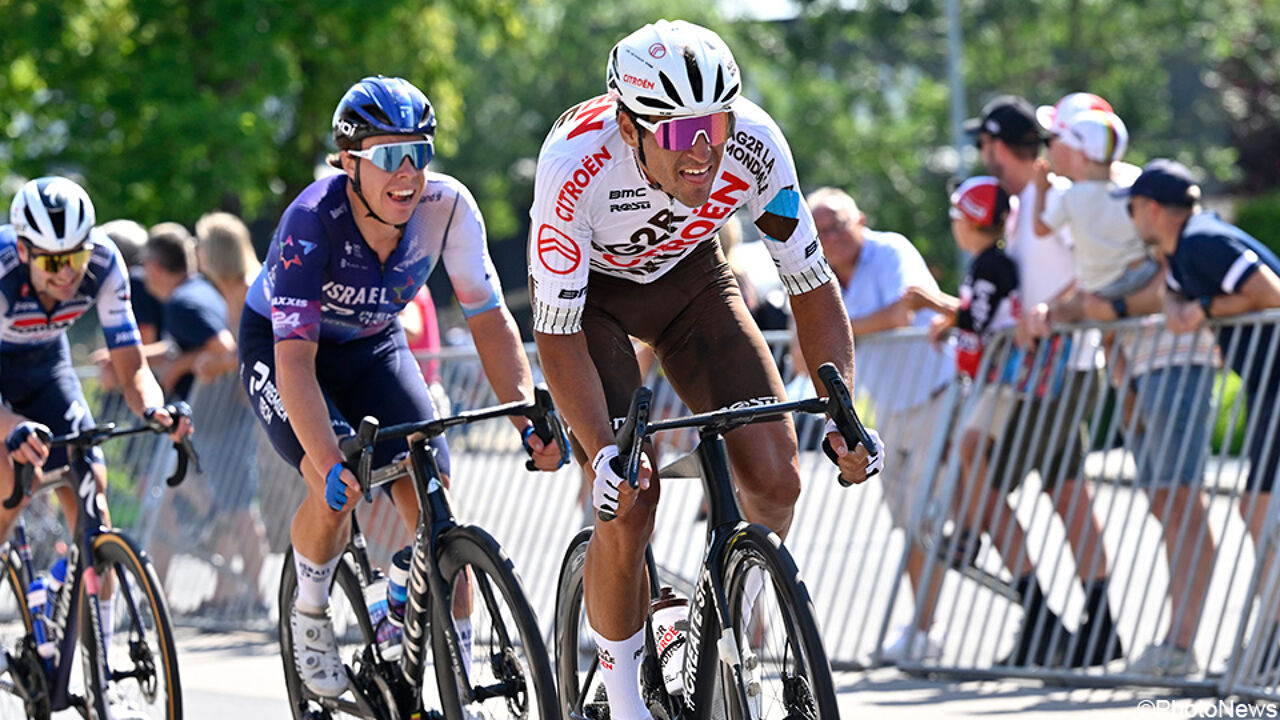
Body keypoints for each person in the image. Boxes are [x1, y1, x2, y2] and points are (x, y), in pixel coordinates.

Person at [529, 21, 881, 720]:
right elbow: (556, 329)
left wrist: (841, 408)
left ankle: (723, 632)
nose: (702, 151)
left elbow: (810, 283)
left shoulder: (754, 142)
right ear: (629, 128)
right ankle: (626, 698)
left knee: (778, 479)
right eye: (677, 132)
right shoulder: (575, 162)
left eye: (713, 124)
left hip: (693, 284)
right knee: (631, 497)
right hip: (591, 304)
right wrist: (602, 453)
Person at [239, 75, 564, 700]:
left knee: (433, 501)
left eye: (418, 151)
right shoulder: (311, 221)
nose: (407, 171)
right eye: (389, 155)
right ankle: (308, 613)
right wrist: (330, 459)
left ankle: (448, 670)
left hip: (371, 345)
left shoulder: (448, 207)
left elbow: (491, 321)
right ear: (348, 162)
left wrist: (526, 413)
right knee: (332, 487)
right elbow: (297, 365)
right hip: (287, 351)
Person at [0, 177, 192, 696]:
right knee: (8, 485)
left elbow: (132, 368)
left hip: (45, 369)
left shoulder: (104, 264)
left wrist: (155, 408)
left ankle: (99, 664)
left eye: (76, 255)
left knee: (93, 493)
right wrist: (11, 426)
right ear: (23, 251)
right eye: (52, 262)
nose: (69, 273)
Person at [965, 95, 1121, 667]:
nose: (984, 157)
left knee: (985, 470)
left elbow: (1098, 266)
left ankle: (1055, 617)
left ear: (1002, 144)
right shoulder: (1026, 200)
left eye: (985, 146)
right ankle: (1079, 621)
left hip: (1067, 364)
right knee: (1061, 492)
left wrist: (1051, 312)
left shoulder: (1057, 194)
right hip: (1048, 366)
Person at [1118, 158, 1280, 674]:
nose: (1131, 218)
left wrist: (1203, 309)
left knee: (1260, 512)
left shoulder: (1202, 241)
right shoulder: (1184, 251)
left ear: (1151, 209)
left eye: (1133, 208)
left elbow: (1271, 294)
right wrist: (1178, 296)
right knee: (1257, 511)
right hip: (1267, 384)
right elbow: (1181, 303)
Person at [806, 186, 953, 663]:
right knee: (911, 526)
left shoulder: (889, 249)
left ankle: (1034, 613)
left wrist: (835, 326)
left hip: (936, 394)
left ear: (861, 219)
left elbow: (902, 311)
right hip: (887, 410)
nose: (831, 236)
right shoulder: (818, 274)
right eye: (820, 229)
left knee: (943, 518)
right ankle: (923, 630)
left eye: (838, 224)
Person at [1033, 108, 1158, 301]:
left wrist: (1041, 191)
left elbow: (1040, 229)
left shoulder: (1071, 196)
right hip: (1142, 278)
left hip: (1100, 289)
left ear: (1082, 155)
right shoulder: (1131, 189)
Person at [142, 223, 236, 400]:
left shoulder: (182, 305)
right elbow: (182, 345)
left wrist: (180, 366)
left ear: (155, 267)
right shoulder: (199, 288)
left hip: (210, 418)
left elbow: (224, 348)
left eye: (143, 263)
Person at [193, 211, 259, 381]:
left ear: (216, 251)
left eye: (201, 244)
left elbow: (266, 346)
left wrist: (220, 365)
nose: (196, 250)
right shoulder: (227, 288)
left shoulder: (251, 289)